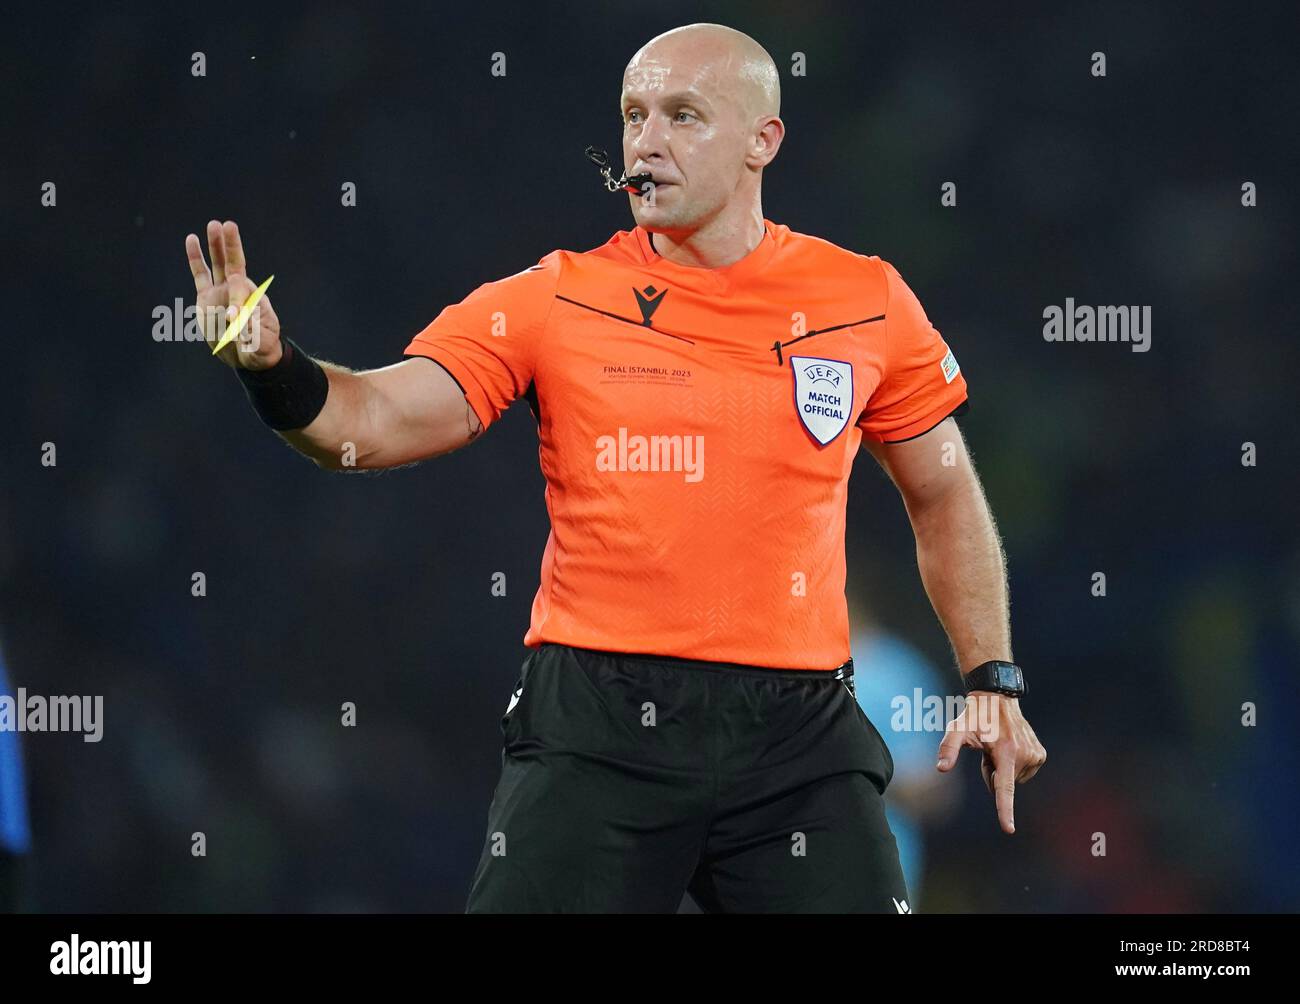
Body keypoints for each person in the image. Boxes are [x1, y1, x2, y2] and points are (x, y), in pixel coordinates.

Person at [183, 22, 1046, 913]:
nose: (647, 142)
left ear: (764, 141)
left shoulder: (864, 299)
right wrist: (274, 368)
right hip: (599, 724)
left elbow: (943, 492)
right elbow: (370, 420)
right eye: (635, 115)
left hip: (796, 738)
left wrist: (993, 677)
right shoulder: (556, 297)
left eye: (683, 115)